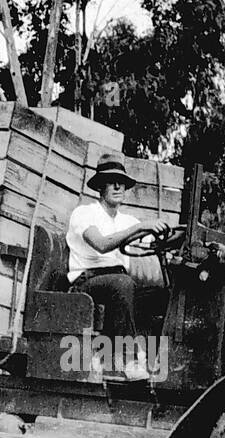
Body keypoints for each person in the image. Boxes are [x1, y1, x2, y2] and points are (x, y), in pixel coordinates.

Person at [66, 154, 172, 380]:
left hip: (119, 284)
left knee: (165, 295)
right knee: (122, 284)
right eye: (111, 181)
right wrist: (141, 227)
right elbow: (102, 245)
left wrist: (166, 238)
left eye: (121, 182)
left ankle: (154, 360)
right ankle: (130, 359)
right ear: (100, 187)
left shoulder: (128, 221)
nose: (117, 186)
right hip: (86, 283)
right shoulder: (84, 213)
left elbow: (151, 245)